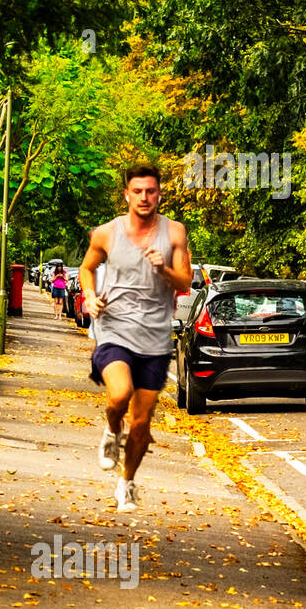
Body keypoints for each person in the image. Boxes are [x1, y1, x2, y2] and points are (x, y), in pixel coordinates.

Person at [79, 164, 191, 512]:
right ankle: (112, 429)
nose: (144, 197)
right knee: (120, 394)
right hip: (114, 329)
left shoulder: (174, 233)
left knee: (141, 422)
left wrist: (163, 269)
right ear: (127, 194)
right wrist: (88, 296)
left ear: (159, 194)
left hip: (155, 338)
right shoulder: (106, 233)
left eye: (151, 191)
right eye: (137, 191)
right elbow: (86, 268)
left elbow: (185, 283)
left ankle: (126, 482)